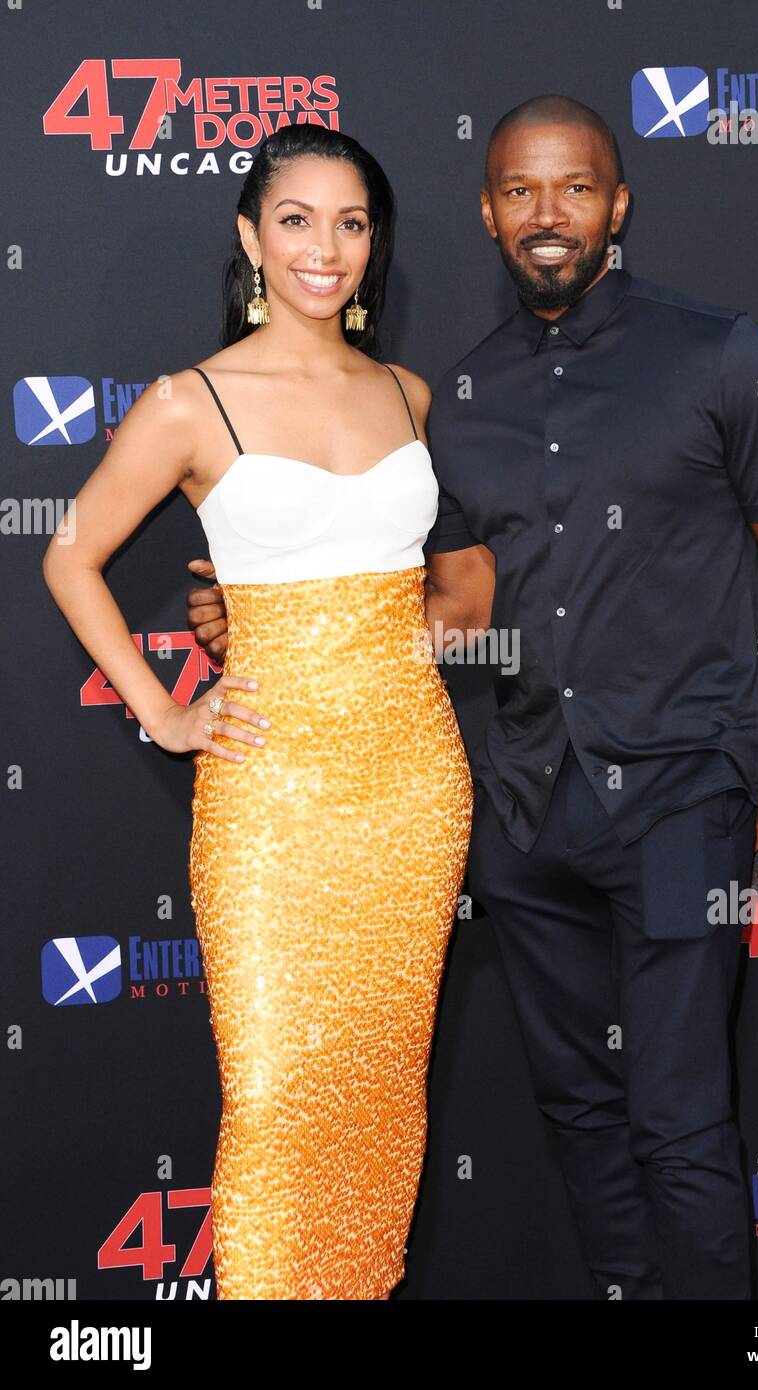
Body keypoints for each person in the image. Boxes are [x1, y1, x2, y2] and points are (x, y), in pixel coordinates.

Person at [186, 95, 758, 1301]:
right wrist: (278, 611)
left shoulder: (716, 353)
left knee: (679, 1121)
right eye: (522, 194)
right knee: (582, 1118)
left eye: (576, 189)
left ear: (617, 205)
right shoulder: (462, 396)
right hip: (526, 810)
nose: (549, 216)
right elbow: (455, 605)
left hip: (678, 795)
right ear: (488, 212)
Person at [43, 124, 473, 1300]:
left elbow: (429, 586)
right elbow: (70, 556)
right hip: (271, 796)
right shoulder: (192, 403)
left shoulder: (408, 392)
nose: (324, 249)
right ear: (249, 238)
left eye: (350, 223)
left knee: (382, 1086)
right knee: (277, 1092)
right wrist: (164, 712)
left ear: (372, 243)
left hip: (411, 783)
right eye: (295, 220)